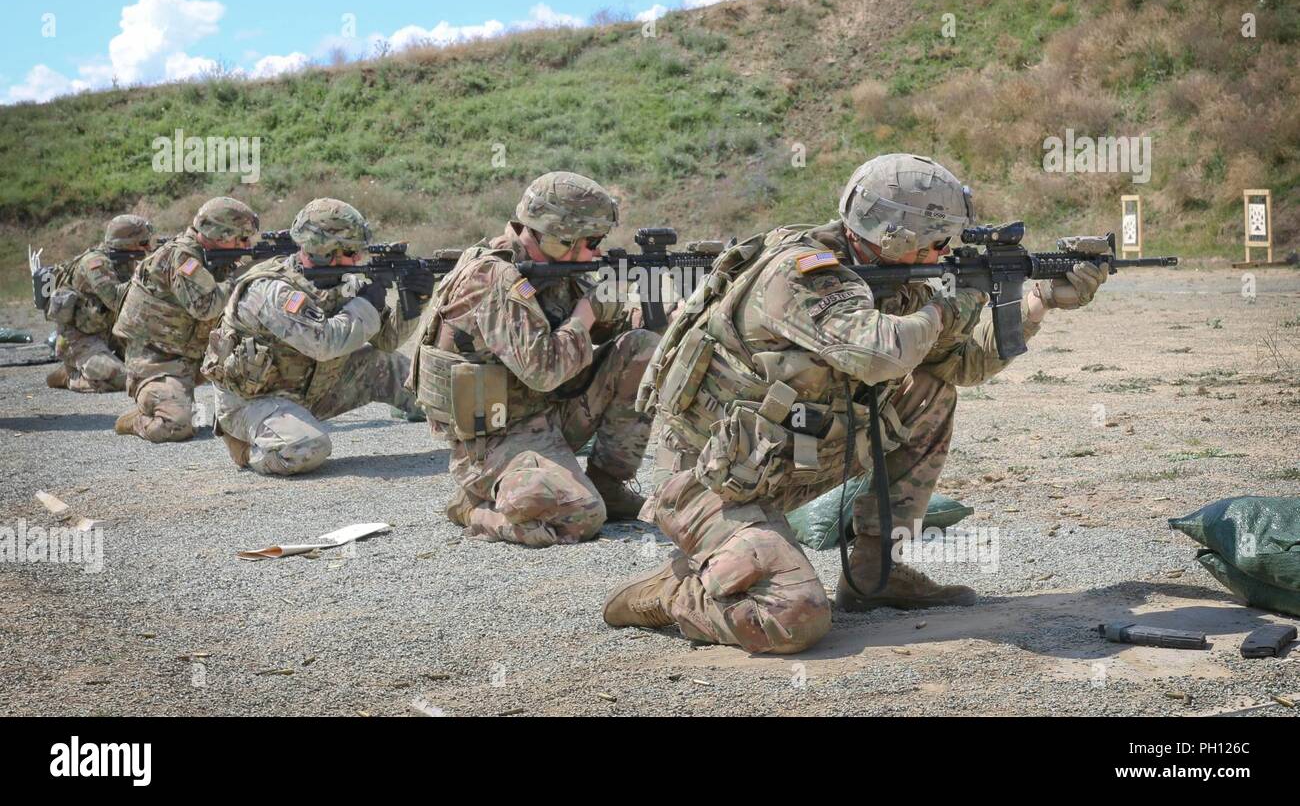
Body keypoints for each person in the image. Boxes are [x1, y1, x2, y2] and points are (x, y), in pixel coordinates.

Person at [603, 153, 1108, 653]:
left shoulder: (890, 277)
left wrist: (1036, 301)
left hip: (788, 461)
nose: (942, 253)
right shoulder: (801, 274)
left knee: (931, 392)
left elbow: (959, 366)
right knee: (795, 619)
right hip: (714, 482)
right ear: (897, 235)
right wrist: (948, 305)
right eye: (935, 241)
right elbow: (879, 354)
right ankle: (669, 593)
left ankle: (874, 575)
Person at [407, 171, 657, 547]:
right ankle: (472, 509)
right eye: (591, 242)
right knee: (579, 518)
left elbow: (610, 331)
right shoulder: (493, 278)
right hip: (495, 439)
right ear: (558, 236)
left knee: (641, 347)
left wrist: (649, 311)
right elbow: (543, 370)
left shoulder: (553, 269)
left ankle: (608, 484)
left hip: (545, 415)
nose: (597, 251)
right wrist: (587, 313)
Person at [202, 198, 423, 475]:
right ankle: (246, 449)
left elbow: (386, 342)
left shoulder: (344, 282)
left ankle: (439, 412)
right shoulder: (272, 289)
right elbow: (324, 343)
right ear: (323, 250)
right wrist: (366, 305)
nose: (357, 259)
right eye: (350, 251)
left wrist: (414, 302)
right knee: (306, 448)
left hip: (311, 389)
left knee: (395, 367)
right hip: (254, 401)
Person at [113, 197, 260, 442]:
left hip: (197, 355)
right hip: (156, 359)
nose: (246, 246)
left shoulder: (215, 258)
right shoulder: (181, 257)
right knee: (176, 425)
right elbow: (206, 307)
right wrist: (244, 277)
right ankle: (134, 420)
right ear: (219, 234)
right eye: (241, 239)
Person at [44, 215, 153, 394]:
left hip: (110, 334)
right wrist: (149, 276)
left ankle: (94, 366)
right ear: (125, 243)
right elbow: (117, 301)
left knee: (155, 368)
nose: (148, 247)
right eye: (143, 242)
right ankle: (70, 376)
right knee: (124, 379)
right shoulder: (96, 263)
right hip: (79, 339)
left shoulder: (126, 260)